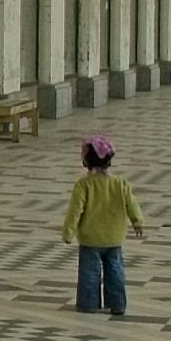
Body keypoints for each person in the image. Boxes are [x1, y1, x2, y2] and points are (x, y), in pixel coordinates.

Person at [61, 134, 144, 318]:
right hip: (114, 238)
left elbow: (75, 211)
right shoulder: (120, 183)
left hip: (91, 239)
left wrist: (68, 232)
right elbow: (132, 204)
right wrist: (137, 222)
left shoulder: (84, 185)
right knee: (115, 271)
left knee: (89, 273)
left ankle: (88, 304)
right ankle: (117, 304)